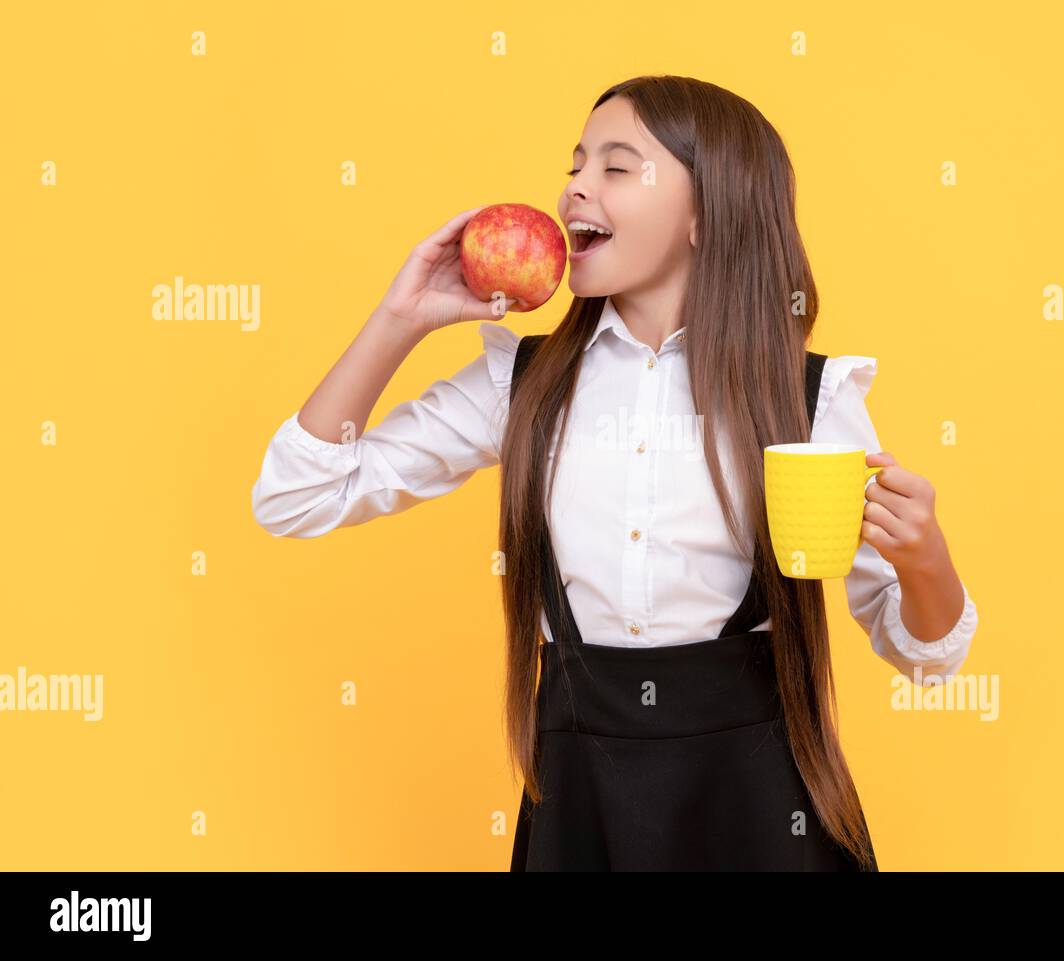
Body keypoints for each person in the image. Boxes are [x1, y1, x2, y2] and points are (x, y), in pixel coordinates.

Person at [251, 75, 979, 871]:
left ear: (706, 212)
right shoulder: (524, 384)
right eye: (574, 164)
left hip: (761, 814)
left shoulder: (806, 397)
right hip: (583, 808)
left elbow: (927, 655)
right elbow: (297, 494)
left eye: (616, 167)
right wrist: (401, 319)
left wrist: (924, 558)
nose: (574, 188)